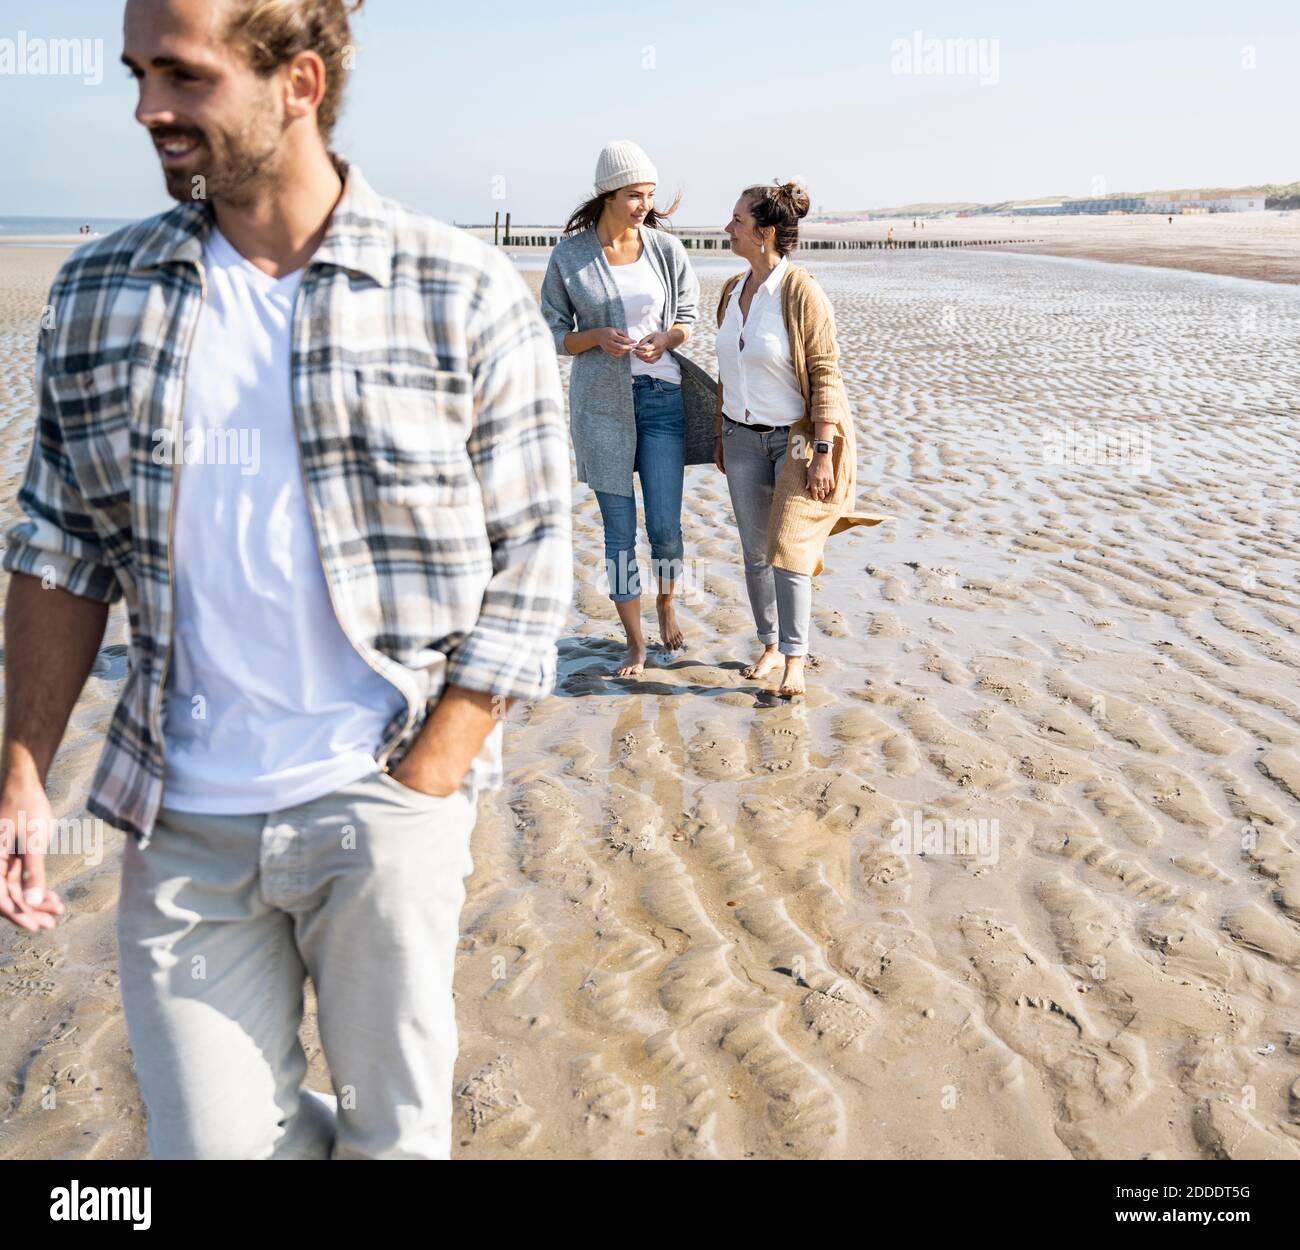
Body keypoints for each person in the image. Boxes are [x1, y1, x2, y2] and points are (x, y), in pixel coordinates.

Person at [0, 0, 572, 1160]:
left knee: (393, 1139)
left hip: (383, 796)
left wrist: (434, 768)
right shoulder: (100, 293)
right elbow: (59, 548)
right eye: (137, 74)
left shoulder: (457, 289)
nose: (148, 108)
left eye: (183, 77)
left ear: (298, 83)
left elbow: (536, 551)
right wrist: (22, 772)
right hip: (182, 812)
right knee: (207, 1145)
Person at [541, 140, 714, 677]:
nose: (644, 204)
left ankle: (665, 602)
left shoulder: (665, 249)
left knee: (664, 528)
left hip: (662, 400)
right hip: (601, 410)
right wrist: (591, 336)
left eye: (650, 194)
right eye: (634, 194)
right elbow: (550, 332)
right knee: (619, 533)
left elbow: (687, 314)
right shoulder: (570, 256)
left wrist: (668, 339)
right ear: (607, 193)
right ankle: (635, 644)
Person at [714, 179, 886, 697]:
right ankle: (768, 644)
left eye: (738, 222)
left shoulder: (801, 293)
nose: (728, 228)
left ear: (764, 233)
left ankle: (794, 658)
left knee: (788, 547)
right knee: (754, 550)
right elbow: (727, 365)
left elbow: (825, 372)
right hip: (740, 437)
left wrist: (824, 452)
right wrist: (721, 432)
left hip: (794, 440)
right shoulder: (730, 290)